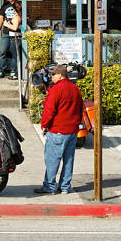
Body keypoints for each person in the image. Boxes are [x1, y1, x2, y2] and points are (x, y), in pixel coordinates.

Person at [36, 63, 83, 195]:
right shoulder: (75, 89)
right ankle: (65, 187)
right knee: (68, 160)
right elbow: (80, 109)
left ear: (60, 75)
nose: (51, 77)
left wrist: (44, 125)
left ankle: (49, 187)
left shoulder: (56, 90)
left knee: (52, 160)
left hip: (57, 130)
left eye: (53, 74)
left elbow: (49, 110)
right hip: (72, 131)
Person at [0, 0, 22, 79]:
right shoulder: (5, 5)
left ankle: (13, 71)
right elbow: (0, 18)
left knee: (14, 53)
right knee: (3, 52)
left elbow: (24, 16)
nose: (10, 0)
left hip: (16, 33)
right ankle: (1, 70)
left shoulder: (19, 5)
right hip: (6, 32)